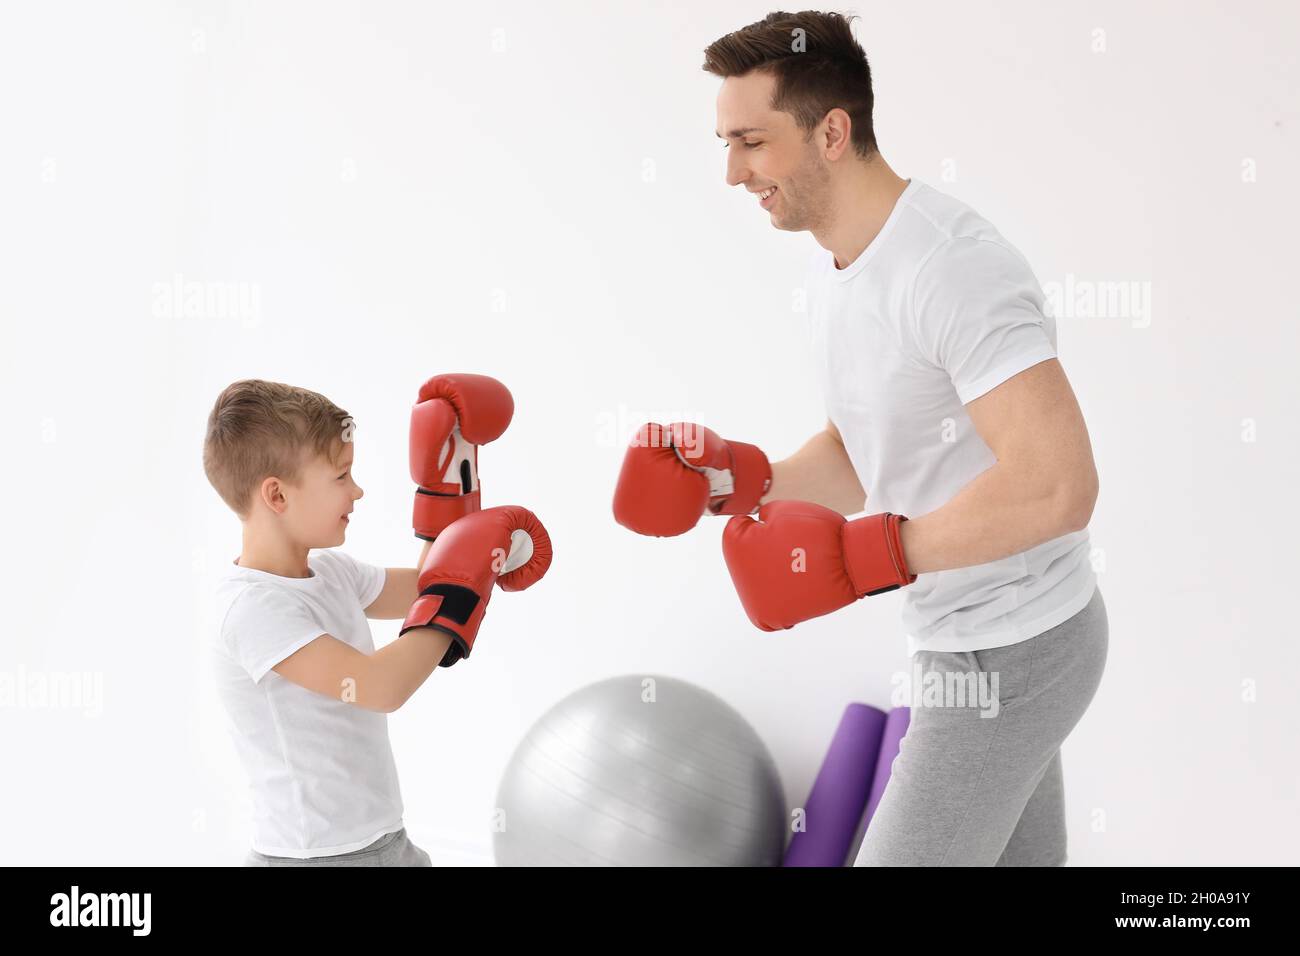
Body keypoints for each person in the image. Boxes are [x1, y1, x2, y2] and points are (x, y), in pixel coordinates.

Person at [613, 11, 1107, 866]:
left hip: (1013, 645)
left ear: (831, 132)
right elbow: (856, 456)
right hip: (964, 634)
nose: (732, 172)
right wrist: (733, 482)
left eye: (751, 142)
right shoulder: (836, 269)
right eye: (725, 144)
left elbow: (1059, 485)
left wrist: (868, 558)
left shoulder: (954, 269)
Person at [203, 375, 549, 866]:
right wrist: (461, 587)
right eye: (341, 477)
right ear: (277, 497)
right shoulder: (253, 608)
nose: (358, 490)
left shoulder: (330, 571)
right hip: (313, 858)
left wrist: (451, 484)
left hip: (385, 841)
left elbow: (430, 585)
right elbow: (380, 685)